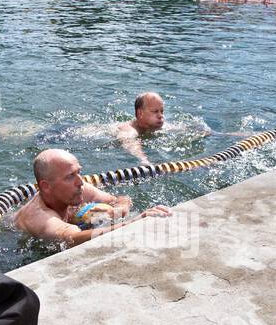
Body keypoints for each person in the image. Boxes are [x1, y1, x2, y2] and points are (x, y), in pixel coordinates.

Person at [15, 148, 171, 246]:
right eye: (70, 176)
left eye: (79, 172)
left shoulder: (78, 188)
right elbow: (72, 238)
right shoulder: (39, 217)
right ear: (46, 186)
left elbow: (119, 199)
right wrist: (134, 221)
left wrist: (117, 211)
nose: (80, 181)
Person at [116, 91, 165, 163]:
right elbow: (129, 142)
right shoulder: (129, 129)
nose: (160, 116)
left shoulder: (157, 126)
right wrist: (143, 159)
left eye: (162, 111)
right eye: (155, 111)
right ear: (140, 113)